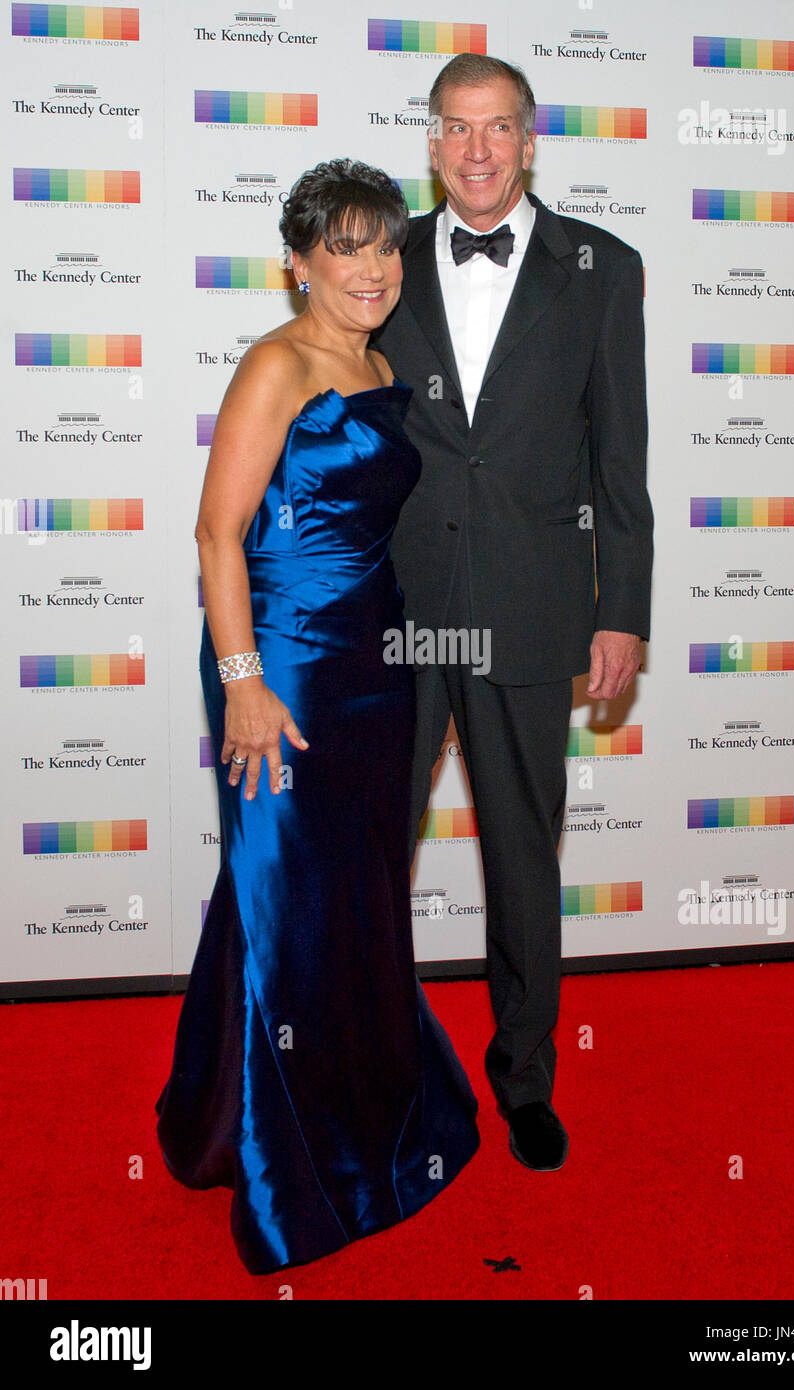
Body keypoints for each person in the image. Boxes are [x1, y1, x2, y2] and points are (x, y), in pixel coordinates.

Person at [155, 159, 479, 1275]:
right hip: (281, 660)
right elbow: (217, 533)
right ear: (297, 262)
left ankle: (279, 1109)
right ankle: (287, 1153)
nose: (372, 267)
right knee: (283, 886)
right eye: (345, 247)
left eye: (385, 246)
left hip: (371, 661)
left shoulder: (381, 362)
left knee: (348, 890)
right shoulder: (276, 363)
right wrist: (243, 678)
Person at [373, 55, 653, 1171]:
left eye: (498, 129)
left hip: (536, 608)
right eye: (456, 128)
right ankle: (371, 1063)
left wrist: (620, 609)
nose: (477, 150)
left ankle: (524, 1081)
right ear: (431, 141)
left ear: (529, 140)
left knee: (524, 858)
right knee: (369, 850)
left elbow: (618, 459)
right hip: (398, 606)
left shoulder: (602, 268)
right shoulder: (376, 259)